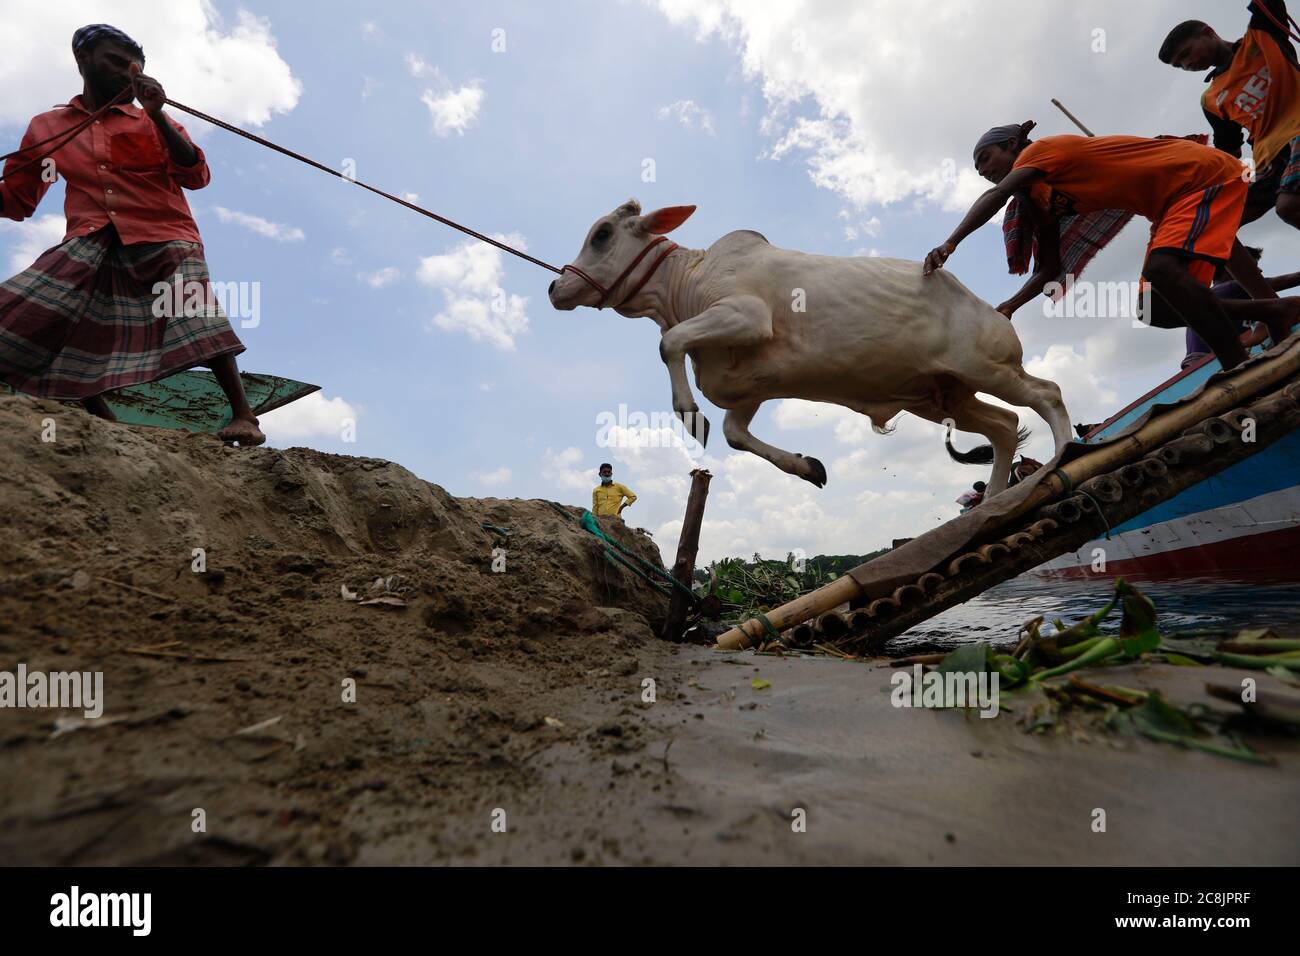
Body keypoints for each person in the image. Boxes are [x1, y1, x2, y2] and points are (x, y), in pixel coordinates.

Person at [0, 24, 264, 444]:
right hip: (91, 236)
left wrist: (157, 113)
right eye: (116, 62)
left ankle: (244, 416)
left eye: (134, 66)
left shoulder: (152, 119)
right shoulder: (48, 127)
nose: (128, 73)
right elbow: (16, 201)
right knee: (44, 312)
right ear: (83, 60)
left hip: (162, 230)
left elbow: (195, 174)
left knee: (187, 297)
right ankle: (101, 416)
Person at [925, 124, 1300, 370]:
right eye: (978, 169)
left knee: (1162, 271)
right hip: (1168, 208)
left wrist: (950, 243)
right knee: (1154, 309)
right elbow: (1050, 268)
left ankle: (1236, 365)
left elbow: (998, 193)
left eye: (986, 159)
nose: (984, 171)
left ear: (1011, 146)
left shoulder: (1039, 152)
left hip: (1197, 176)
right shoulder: (1038, 202)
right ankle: (1273, 309)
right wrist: (1011, 305)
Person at [1159, 0, 1300, 230]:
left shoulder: (1261, 37)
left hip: (1298, 132)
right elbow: (1228, 151)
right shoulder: (1210, 99)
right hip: (1270, 161)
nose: (1188, 64)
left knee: (1289, 206)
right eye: (1180, 65)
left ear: (1209, 32)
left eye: (1186, 53)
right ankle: (1246, 267)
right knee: (1212, 224)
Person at [1183, 246, 1300, 367]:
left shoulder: (1224, 295)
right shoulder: (1230, 288)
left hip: (1197, 364)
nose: (1260, 271)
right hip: (1207, 362)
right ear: (1232, 269)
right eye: (1253, 267)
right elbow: (1287, 280)